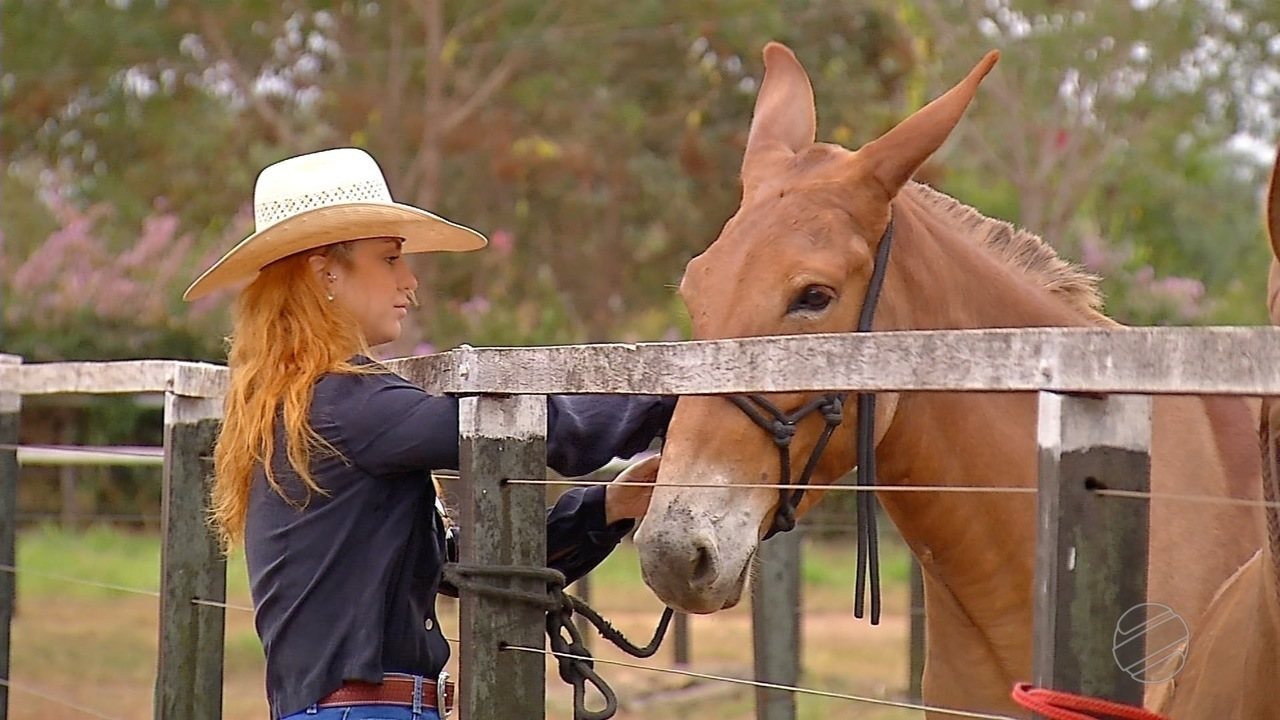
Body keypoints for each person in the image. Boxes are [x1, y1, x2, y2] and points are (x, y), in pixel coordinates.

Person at [184, 147, 674, 720]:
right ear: (325, 274)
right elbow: (521, 432)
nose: (410, 281)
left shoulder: (305, 405)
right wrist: (678, 394)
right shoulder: (347, 404)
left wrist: (611, 504)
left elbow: (456, 564)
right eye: (390, 259)